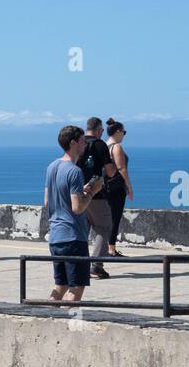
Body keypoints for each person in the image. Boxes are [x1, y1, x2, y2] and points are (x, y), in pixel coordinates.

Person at [46, 125, 104, 302]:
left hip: (56, 236)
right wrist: (93, 191)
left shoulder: (52, 167)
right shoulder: (74, 171)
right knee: (77, 287)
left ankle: (44, 314)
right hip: (73, 237)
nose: (85, 144)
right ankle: (62, 322)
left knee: (61, 285)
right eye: (82, 141)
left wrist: (82, 191)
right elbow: (77, 208)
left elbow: (47, 201)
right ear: (73, 143)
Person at [76, 116, 117, 278]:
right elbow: (110, 171)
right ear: (99, 130)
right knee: (103, 227)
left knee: (82, 230)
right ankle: (96, 265)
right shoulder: (100, 145)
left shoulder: (78, 143)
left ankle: (78, 262)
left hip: (78, 192)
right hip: (97, 194)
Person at [104, 118, 133, 257]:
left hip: (105, 187)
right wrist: (129, 187)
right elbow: (121, 168)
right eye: (124, 132)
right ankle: (111, 248)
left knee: (107, 218)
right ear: (118, 131)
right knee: (115, 217)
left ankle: (107, 247)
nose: (124, 135)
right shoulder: (116, 147)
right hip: (116, 188)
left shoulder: (103, 145)